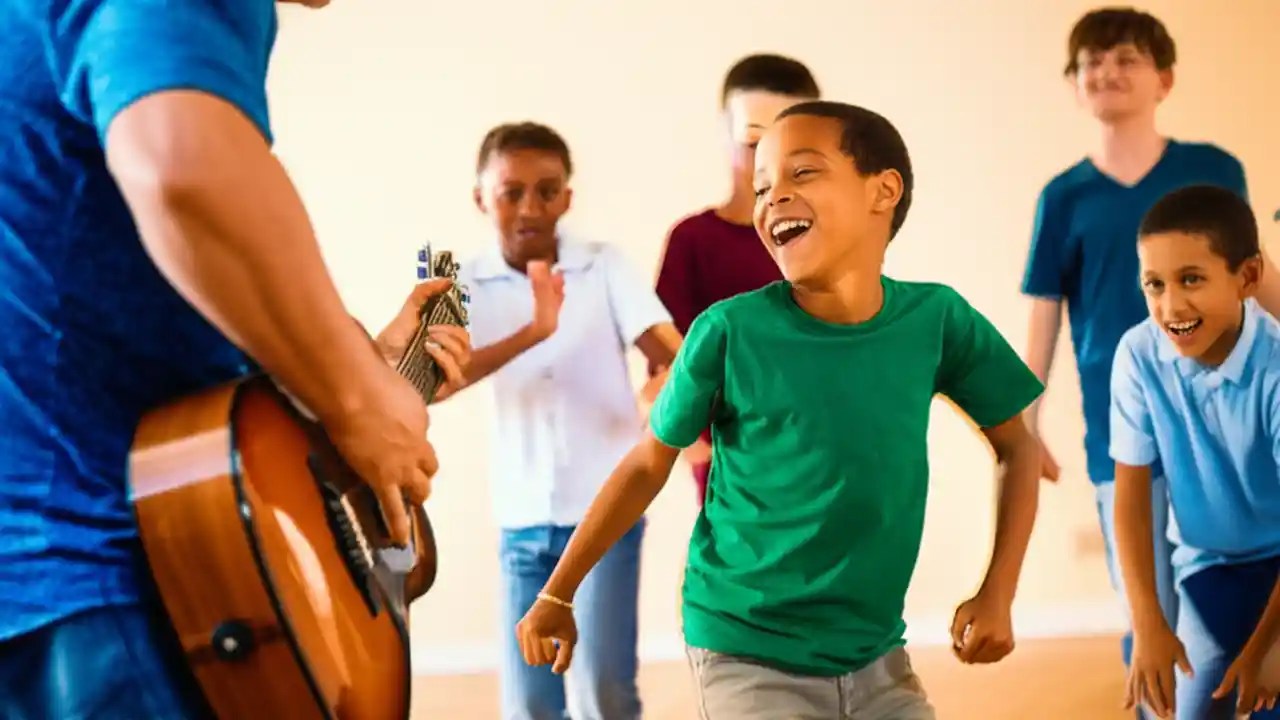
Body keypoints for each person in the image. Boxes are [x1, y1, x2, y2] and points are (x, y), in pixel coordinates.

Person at [0, 1, 470, 717]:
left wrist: (349, 364)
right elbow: (179, 163)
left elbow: (72, 282)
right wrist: (357, 398)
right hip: (112, 593)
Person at [514, 101, 1045, 719]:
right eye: (762, 185)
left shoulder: (938, 321)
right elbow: (646, 464)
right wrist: (558, 592)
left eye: (802, 173)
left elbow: (1018, 444)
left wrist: (998, 591)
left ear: (883, 191)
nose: (772, 199)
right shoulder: (728, 331)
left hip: (875, 652)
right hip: (745, 648)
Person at [1018, 10, 1280, 709]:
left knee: (1235, 585)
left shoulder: (1214, 170)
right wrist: (1025, 424)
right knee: (1150, 609)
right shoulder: (1063, 197)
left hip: (1227, 422)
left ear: (1163, 78)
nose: (1106, 71)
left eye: (1125, 58)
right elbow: (1045, 316)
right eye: (1090, 62)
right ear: (1075, 86)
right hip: (1124, 427)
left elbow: (1256, 272)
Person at [446, 121, 680, 720]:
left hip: (604, 517)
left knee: (604, 693)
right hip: (521, 524)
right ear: (481, 198)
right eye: (511, 192)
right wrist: (535, 332)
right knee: (529, 706)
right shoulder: (460, 282)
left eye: (547, 191)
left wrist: (660, 394)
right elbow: (436, 382)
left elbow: (672, 357)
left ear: (567, 198)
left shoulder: (604, 266)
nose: (530, 208)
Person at [1110, 184, 1280, 719]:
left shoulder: (1276, 368)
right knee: (1196, 708)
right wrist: (1149, 623)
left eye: (1191, 280)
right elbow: (1132, 498)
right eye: (1154, 284)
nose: (1170, 306)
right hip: (1207, 571)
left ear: (1247, 278)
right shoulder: (1139, 355)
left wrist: (1268, 648)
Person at [652, 52, 820, 504]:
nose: (771, 161)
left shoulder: (828, 240)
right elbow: (666, 359)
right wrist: (697, 448)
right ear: (726, 134)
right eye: (753, 141)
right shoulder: (693, 242)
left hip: (820, 468)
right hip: (729, 482)